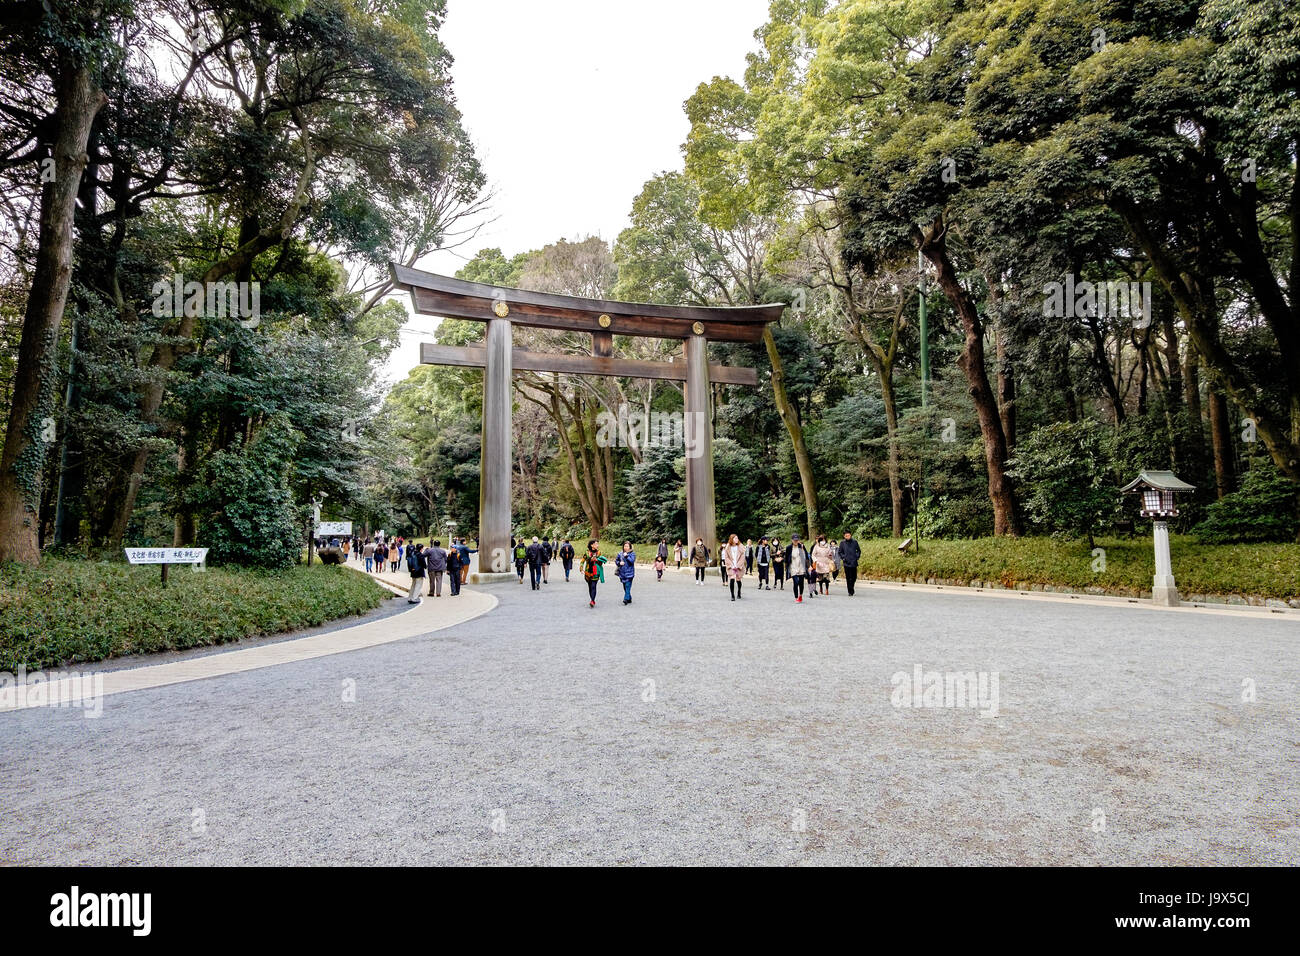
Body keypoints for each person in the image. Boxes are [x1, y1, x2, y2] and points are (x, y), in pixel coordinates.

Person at [580, 541, 607, 608]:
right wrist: (581, 569)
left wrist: (596, 560)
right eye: (596, 544)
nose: (597, 545)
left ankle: (592, 600)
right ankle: (592, 598)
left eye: (598, 544)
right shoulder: (587, 552)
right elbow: (582, 561)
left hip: (596, 572)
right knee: (590, 586)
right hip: (588, 572)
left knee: (593, 586)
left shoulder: (599, 552)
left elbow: (601, 562)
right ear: (592, 545)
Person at [786, 535, 811, 603]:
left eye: (797, 540)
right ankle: (796, 597)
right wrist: (787, 567)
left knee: (801, 583)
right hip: (793, 566)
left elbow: (806, 557)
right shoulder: (789, 548)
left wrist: (808, 567)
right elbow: (786, 558)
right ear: (792, 540)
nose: (796, 541)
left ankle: (800, 595)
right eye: (794, 540)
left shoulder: (801, 546)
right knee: (796, 582)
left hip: (801, 567)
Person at [723, 533, 746, 601]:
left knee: (738, 580)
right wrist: (731, 565)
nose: (736, 539)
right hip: (731, 566)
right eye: (735, 538)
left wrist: (738, 565)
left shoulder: (740, 546)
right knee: (732, 579)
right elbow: (726, 557)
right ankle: (732, 595)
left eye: (737, 538)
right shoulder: (728, 547)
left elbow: (742, 557)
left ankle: (739, 591)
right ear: (731, 539)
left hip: (738, 566)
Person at [838, 531, 861, 596]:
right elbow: (840, 552)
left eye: (849, 535)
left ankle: (852, 587)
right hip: (846, 563)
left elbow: (858, 551)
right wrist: (844, 558)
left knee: (854, 577)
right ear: (844, 536)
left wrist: (857, 557)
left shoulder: (855, 542)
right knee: (848, 577)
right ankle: (850, 591)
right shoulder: (842, 543)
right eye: (846, 536)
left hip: (854, 562)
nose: (848, 536)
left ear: (851, 535)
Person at [614, 540, 636, 604]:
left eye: (627, 546)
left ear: (630, 547)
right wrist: (619, 563)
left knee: (627, 586)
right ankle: (629, 597)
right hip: (622, 573)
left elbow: (632, 561)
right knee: (624, 586)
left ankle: (625, 599)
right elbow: (616, 561)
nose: (626, 547)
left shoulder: (632, 553)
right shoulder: (620, 553)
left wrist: (627, 556)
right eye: (625, 546)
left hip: (630, 573)